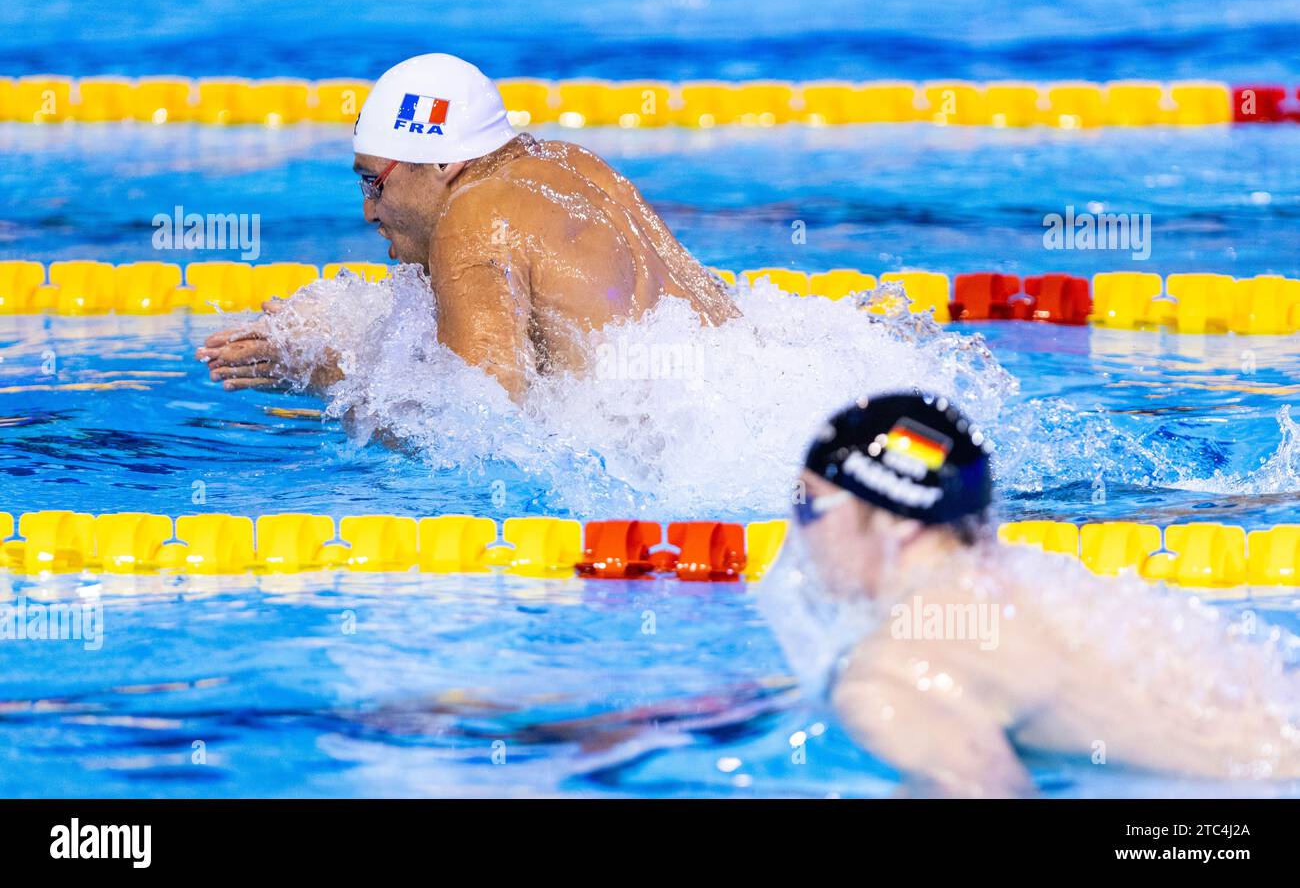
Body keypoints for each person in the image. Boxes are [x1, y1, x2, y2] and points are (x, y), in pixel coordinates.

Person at [767, 392, 1300, 797]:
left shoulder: (892, 675)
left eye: (809, 502)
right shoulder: (1029, 581)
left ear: (897, 523)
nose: (798, 527)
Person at [196, 53, 737, 401]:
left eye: (373, 183)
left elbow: (473, 429)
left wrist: (325, 371)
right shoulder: (575, 165)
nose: (368, 212)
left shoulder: (474, 217)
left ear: (442, 165)